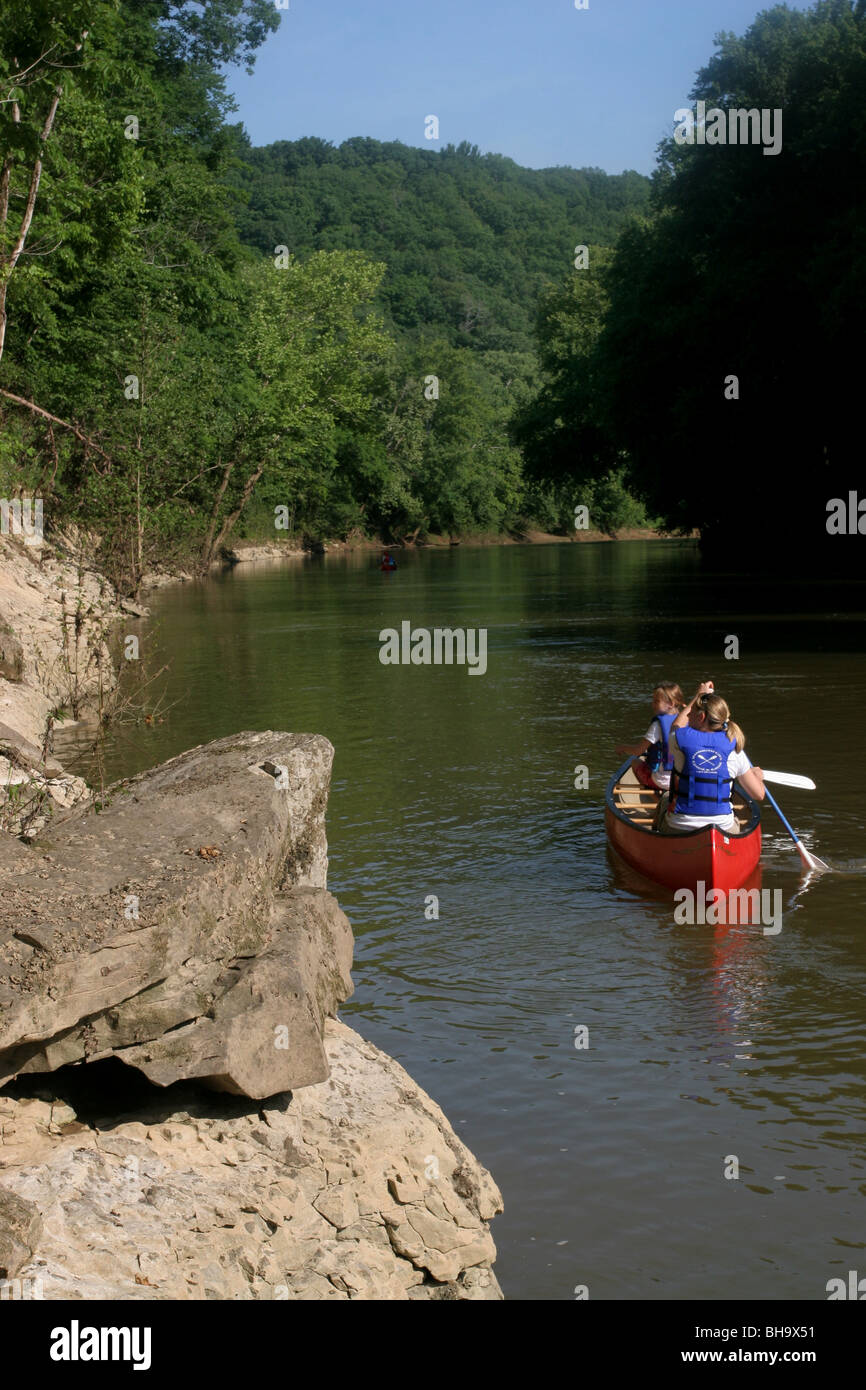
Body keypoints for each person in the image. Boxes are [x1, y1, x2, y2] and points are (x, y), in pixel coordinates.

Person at [661, 684, 765, 833]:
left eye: (692, 712)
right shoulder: (735, 750)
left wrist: (698, 695)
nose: (688, 715)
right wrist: (758, 777)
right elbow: (758, 794)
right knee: (734, 818)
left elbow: (676, 725)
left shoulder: (677, 740)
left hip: (680, 826)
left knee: (665, 799)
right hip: (721, 827)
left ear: (701, 717)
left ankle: (657, 841)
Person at [615, 682, 685, 794]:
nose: (652, 704)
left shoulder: (658, 725)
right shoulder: (688, 721)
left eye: (656, 701)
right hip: (683, 781)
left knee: (634, 762)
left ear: (671, 704)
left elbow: (638, 751)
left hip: (664, 782)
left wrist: (623, 748)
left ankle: (654, 791)